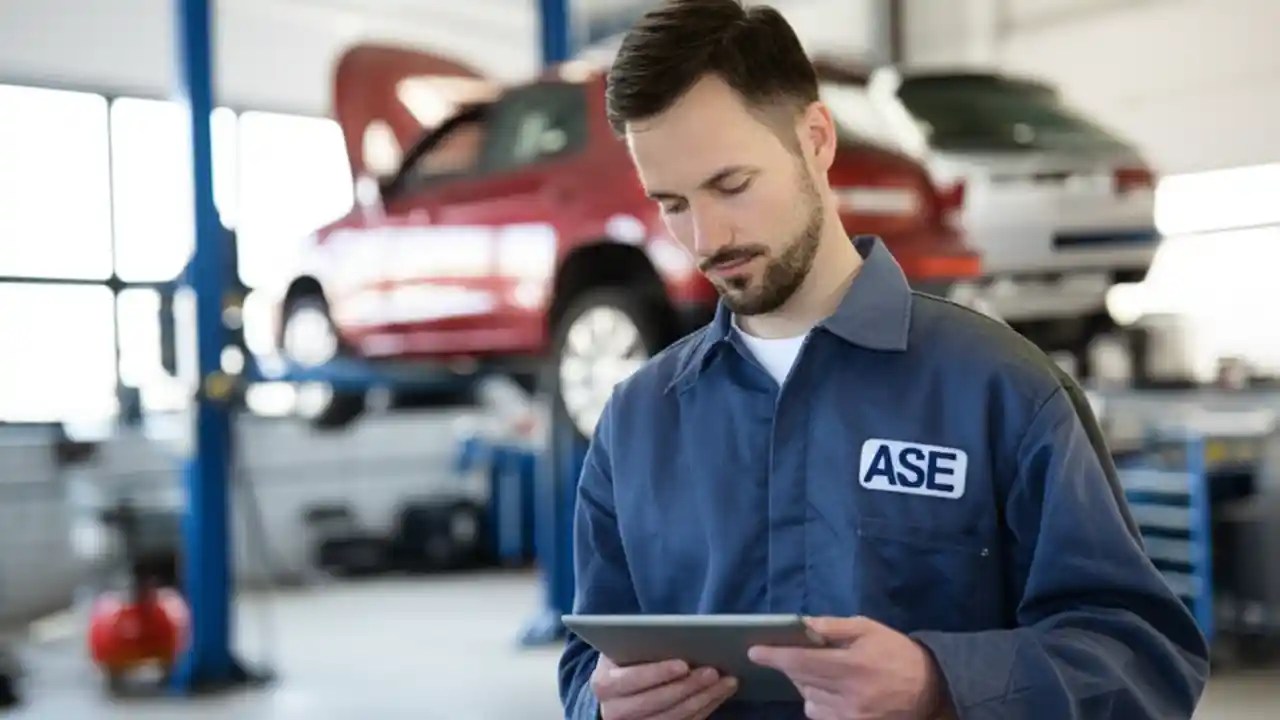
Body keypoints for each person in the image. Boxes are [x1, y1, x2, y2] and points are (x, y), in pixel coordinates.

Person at [557, 1, 1210, 718]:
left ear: (816, 139)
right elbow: (590, 664)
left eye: (732, 185)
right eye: (671, 203)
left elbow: (1144, 660)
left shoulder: (1001, 391)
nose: (706, 235)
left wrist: (942, 682)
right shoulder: (637, 422)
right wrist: (603, 703)